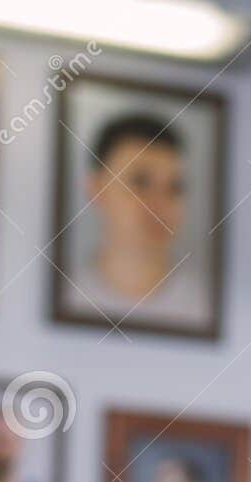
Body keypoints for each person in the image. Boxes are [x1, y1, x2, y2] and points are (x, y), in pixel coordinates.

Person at [63, 114, 209, 329]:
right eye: (141, 182)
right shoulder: (64, 296)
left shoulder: (206, 307)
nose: (160, 205)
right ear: (96, 187)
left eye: (175, 188)